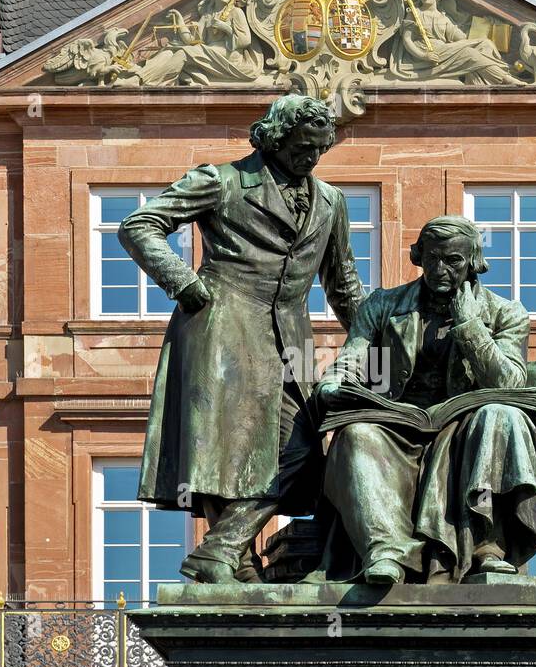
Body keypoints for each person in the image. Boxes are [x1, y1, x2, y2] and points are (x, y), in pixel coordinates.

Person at [119, 94, 365, 584]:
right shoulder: (222, 180)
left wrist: (387, 337)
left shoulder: (331, 201)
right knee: (222, 448)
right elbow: (140, 224)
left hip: (291, 337)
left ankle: (219, 550)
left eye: (319, 150)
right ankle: (240, 561)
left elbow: (343, 284)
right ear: (274, 138)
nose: (310, 159)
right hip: (221, 325)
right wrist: (184, 283)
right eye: (301, 148)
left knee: (296, 445)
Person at [317, 215, 536, 584]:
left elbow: (509, 379)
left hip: (467, 433)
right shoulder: (383, 305)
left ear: (473, 261)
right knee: (355, 434)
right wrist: (332, 385)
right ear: (420, 257)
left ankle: (487, 547)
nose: (440, 269)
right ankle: (385, 552)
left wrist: (470, 327)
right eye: (431, 258)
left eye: (453, 261)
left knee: (500, 414)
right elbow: (351, 359)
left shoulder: (506, 313)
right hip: (397, 429)